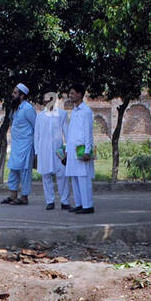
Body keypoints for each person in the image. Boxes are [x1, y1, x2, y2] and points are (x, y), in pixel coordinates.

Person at [34, 92, 71, 210]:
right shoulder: (40, 117)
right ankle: (50, 201)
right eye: (44, 100)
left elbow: (67, 133)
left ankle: (64, 201)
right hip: (44, 150)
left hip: (58, 150)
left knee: (62, 175)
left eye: (48, 99)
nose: (46, 102)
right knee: (46, 176)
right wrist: (36, 152)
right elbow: (37, 135)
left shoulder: (61, 114)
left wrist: (68, 149)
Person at [2, 83, 37, 205]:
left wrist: (36, 149)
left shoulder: (28, 109)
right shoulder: (16, 109)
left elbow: (36, 127)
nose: (13, 95)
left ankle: (24, 197)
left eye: (15, 93)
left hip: (26, 146)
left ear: (22, 96)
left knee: (25, 172)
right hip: (16, 146)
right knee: (13, 170)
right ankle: (13, 196)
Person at [64, 82, 95, 214]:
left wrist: (88, 151)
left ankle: (88, 205)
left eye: (72, 93)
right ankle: (79, 204)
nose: (70, 96)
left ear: (79, 95)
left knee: (83, 178)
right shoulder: (75, 111)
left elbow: (88, 132)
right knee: (75, 177)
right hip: (72, 149)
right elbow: (72, 132)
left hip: (82, 148)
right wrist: (66, 150)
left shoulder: (86, 111)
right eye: (70, 93)